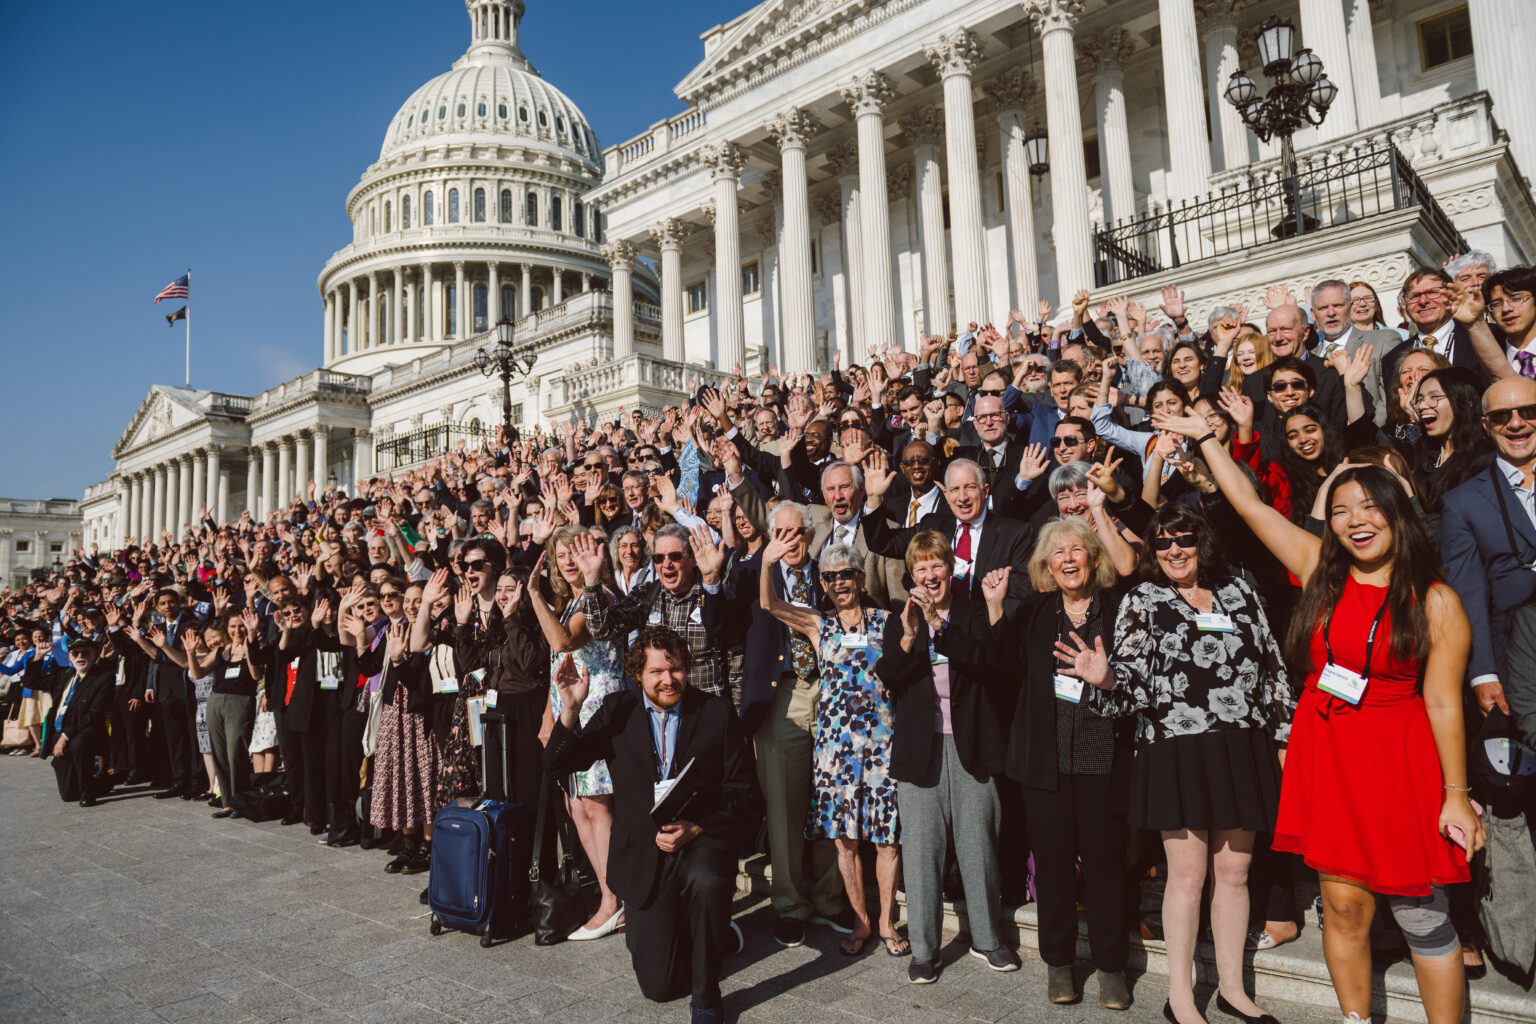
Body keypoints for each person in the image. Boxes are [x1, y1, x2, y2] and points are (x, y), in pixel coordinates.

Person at [1158, 410, 1486, 1024]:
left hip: (1399, 762)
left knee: (1422, 911)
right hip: (1330, 757)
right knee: (1341, 906)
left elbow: (1443, 702)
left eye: (1368, 507)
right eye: (1340, 509)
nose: (1355, 521)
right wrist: (1206, 439)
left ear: (1397, 511)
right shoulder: (1318, 570)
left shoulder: (1435, 600)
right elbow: (1251, 507)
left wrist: (1456, 795)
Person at [1059, 501, 1294, 1024]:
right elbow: (1132, 687)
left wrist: (1283, 733)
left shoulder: (1239, 588)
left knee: (1234, 871)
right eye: (1163, 542)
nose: (1173, 550)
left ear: (1201, 541)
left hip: (1241, 744)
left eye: (1183, 539)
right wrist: (1105, 678)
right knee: (1186, 875)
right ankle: (1181, 997)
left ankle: (1233, 989)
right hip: (1176, 746)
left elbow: (1271, 665)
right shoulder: (1143, 598)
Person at [543, 626, 758, 1024]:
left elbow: (744, 795)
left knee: (708, 883)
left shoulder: (715, 713)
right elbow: (557, 765)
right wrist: (570, 711)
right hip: (643, 853)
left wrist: (697, 827)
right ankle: (712, 936)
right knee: (657, 988)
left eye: (675, 670)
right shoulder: (616, 710)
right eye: (657, 671)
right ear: (638, 673)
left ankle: (707, 996)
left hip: (701, 841)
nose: (668, 680)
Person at [990, 520, 1132, 1008]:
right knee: (1051, 867)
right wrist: (993, 607)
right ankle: (1060, 964)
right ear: (1047, 566)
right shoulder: (1032, 613)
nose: (1068, 560)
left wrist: (1109, 678)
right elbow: (997, 663)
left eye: (1078, 551)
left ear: (1095, 558)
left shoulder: (1119, 611)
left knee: (1105, 868)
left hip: (1104, 760)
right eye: (1059, 554)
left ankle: (1112, 966)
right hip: (1043, 763)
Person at [872, 531, 1019, 983]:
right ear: (911, 575)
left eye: (937, 565)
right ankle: (924, 950)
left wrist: (941, 625)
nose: (931, 574)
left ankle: (988, 939)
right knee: (921, 851)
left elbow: (989, 664)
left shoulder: (972, 611)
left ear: (949, 570)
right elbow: (889, 677)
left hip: (972, 743)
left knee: (978, 845)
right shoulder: (902, 619)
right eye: (921, 568)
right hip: (921, 749)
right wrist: (909, 638)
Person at [759, 537, 901, 957]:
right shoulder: (819, 623)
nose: (839, 582)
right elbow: (769, 605)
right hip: (836, 750)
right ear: (822, 583)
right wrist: (767, 564)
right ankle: (861, 924)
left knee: (886, 841)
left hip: (881, 747)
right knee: (845, 841)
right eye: (831, 576)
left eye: (846, 574)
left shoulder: (886, 620)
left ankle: (888, 924)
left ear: (860, 578)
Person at [716, 501, 848, 947]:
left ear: (810, 536)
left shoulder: (829, 572)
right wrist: (725, 575)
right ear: (771, 536)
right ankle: (790, 904)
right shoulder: (754, 572)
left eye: (797, 533)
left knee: (831, 801)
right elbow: (724, 620)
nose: (790, 541)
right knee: (785, 809)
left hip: (830, 695)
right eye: (781, 533)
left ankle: (831, 899)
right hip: (781, 698)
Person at [531, 526, 629, 941]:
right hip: (572, 708)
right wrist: (548, 715)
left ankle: (614, 901)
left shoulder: (598, 599)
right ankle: (610, 895)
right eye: (560, 554)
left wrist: (533, 596)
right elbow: (558, 666)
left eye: (575, 551)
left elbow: (564, 641)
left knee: (596, 806)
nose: (568, 560)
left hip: (599, 708)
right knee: (576, 806)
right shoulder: (570, 601)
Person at [1439, 375, 1536, 720]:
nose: (1516, 423)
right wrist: (1483, 672)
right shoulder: (1461, 503)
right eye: (1501, 416)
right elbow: (1469, 595)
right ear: (1485, 425)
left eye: (1528, 411)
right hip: (1518, 661)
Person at [44, 636, 116, 806]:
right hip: (61, 729)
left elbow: (94, 714)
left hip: (88, 730)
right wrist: (39, 657)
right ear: (69, 656)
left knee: (78, 745)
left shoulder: (104, 678)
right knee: (68, 795)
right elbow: (31, 681)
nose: (80, 656)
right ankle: (102, 783)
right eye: (75, 653)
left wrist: (66, 736)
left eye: (85, 652)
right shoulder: (66, 675)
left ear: (94, 654)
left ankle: (88, 791)